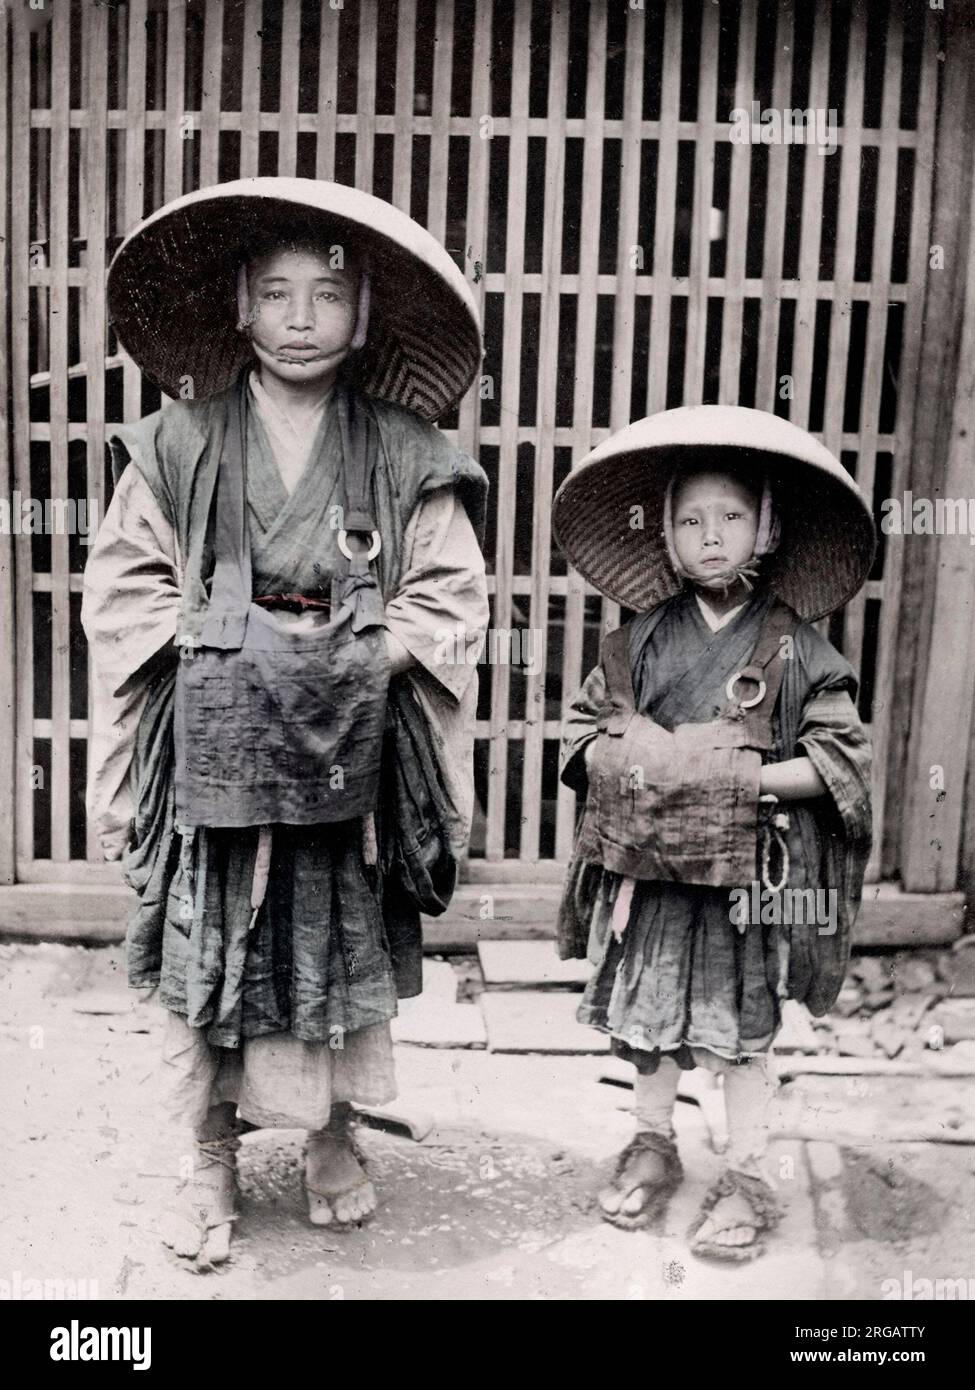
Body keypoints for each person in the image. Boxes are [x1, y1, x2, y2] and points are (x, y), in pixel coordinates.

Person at [82, 178, 489, 1270]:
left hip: (347, 732)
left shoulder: (406, 448)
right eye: (277, 293)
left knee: (333, 936)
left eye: (328, 294)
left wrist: (348, 663)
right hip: (212, 726)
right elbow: (122, 594)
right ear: (238, 308)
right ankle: (207, 1154)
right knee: (208, 944)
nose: (302, 317)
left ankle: (332, 1133)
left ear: (365, 317)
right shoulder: (177, 443)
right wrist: (238, 649)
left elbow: (452, 597)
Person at [552, 406, 874, 1260]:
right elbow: (585, 740)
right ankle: (652, 1142)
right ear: (663, 533)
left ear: (766, 528)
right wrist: (637, 763)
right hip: (653, 875)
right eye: (689, 519)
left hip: (746, 879)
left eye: (731, 516)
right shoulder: (637, 643)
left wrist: (733, 778)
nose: (711, 536)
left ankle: (746, 1173)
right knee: (650, 1018)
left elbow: (839, 760)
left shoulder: (799, 650)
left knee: (739, 1032)